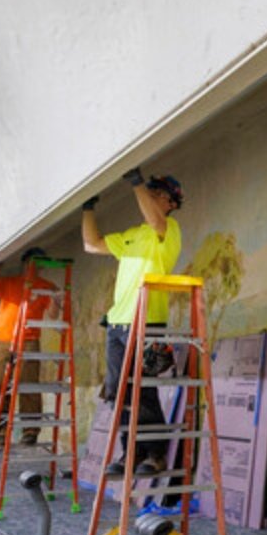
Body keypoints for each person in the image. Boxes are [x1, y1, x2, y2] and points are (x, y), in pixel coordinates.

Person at [82, 168, 183, 477]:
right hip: (117, 324)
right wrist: (87, 208)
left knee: (144, 391)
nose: (150, 195)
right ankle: (131, 453)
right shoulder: (131, 236)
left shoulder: (167, 229)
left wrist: (137, 183)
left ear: (171, 202)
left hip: (146, 322)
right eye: (149, 191)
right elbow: (91, 244)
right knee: (119, 393)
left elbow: (155, 220)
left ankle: (155, 454)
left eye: (157, 193)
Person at [0, 248, 55, 447]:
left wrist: (57, 298)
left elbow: (54, 315)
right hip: (1, 339)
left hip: (28, 340)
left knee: (28, 384)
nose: (36, 267)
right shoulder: (9, 282)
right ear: (25, 263)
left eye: (39, 263)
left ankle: (30, 430)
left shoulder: (47, 286)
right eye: (32, 262)